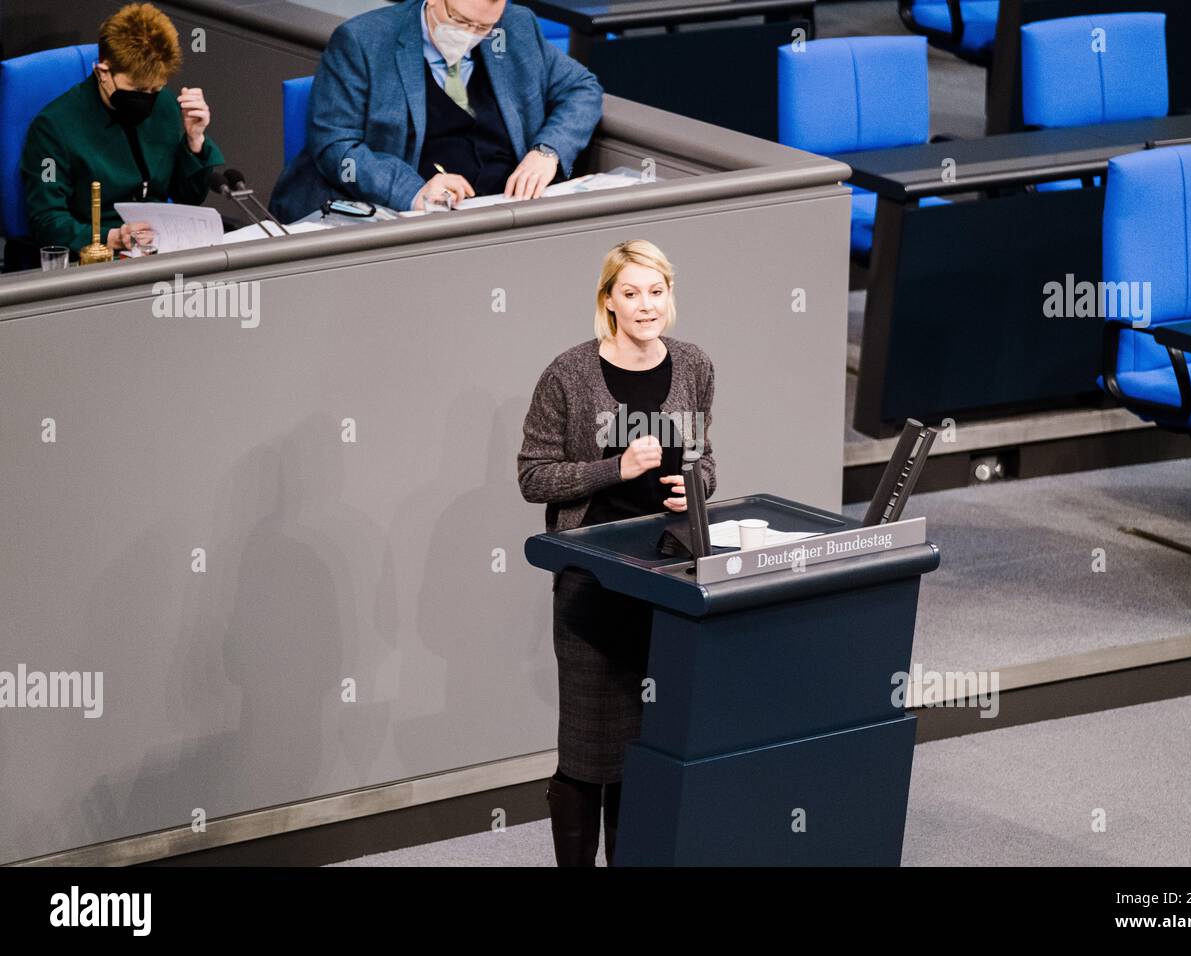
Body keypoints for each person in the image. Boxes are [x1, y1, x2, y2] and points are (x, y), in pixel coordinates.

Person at [517, 239, 716, 866]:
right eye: (631, 293)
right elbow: (533, 478)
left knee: (644, 749)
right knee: (586, 753)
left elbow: (706, 457)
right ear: (608, 301)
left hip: (668, 574)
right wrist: (614, 468)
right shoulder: (568, 375)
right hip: (592, 580)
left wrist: (699, 484)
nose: (646, 305)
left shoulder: (694, 367)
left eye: (657, 291)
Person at [269, 0, 603, 222]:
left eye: (482, 28)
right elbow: (335, 146)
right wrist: (413, 191)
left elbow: (582, 88)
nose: (468, 35)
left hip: (504, 213)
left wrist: (547, 151)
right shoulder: (362, 41)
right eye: (458, 20)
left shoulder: (515, 27)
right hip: (410, 221)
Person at [20, 2, 224, 258]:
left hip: (158, 249)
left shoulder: (165, 106)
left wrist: (195, 140)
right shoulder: (53, 128)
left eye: (155, 89)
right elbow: (47, 221)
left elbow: (189, 197)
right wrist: (113, 237)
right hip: (96, 257)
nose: (149, 98)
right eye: (138, 90)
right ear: (102, 72)